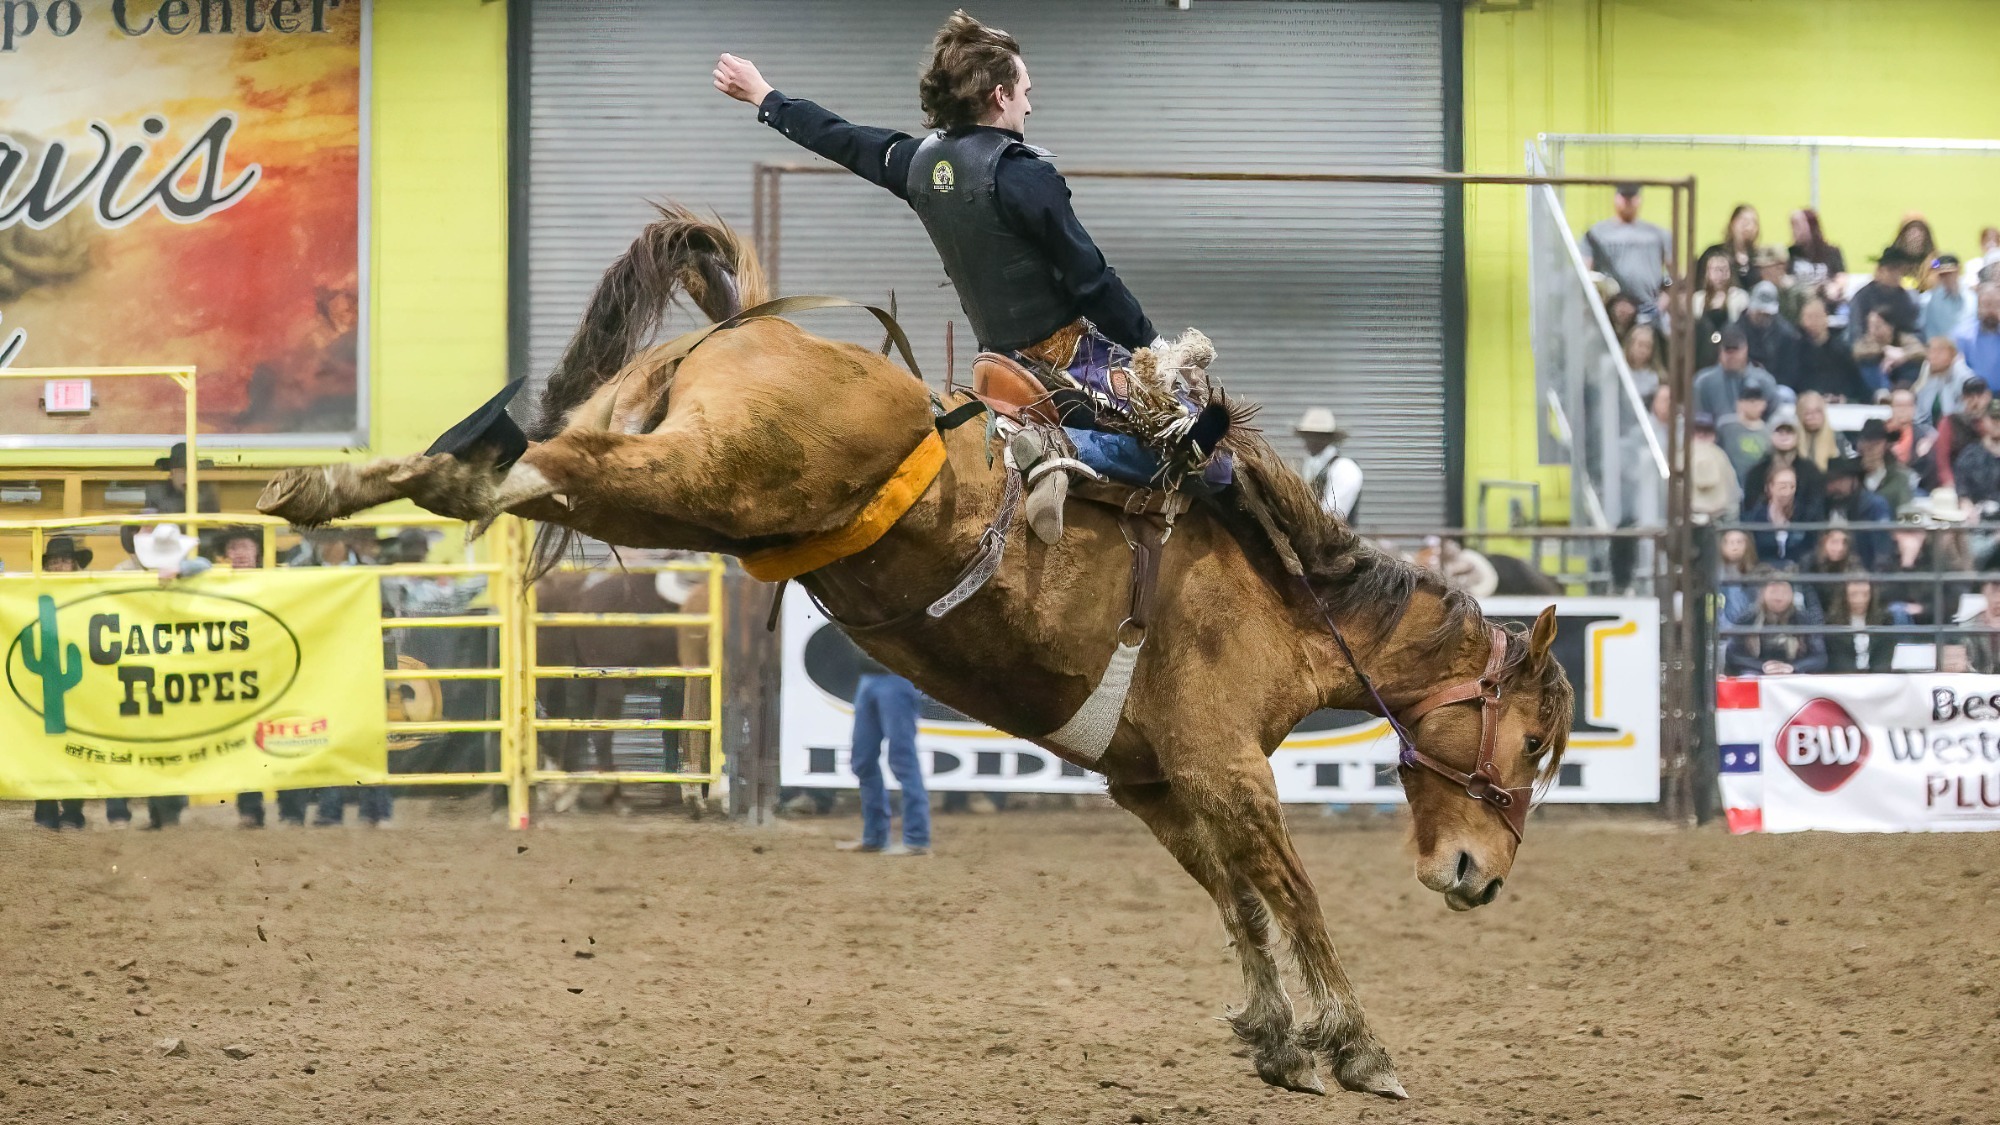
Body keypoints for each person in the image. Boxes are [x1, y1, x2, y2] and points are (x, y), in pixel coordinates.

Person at [715, 14, 1227, 516]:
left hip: (994, 362)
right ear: (1000, 95)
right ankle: (1062, 446)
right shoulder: (1027, 177)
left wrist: (765, 96)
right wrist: (1156, 348)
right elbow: (1092, 283)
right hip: (1066, 365)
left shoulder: (915, 163)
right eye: (1024, 90)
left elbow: (841, 136)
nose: (1030, 102)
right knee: (1213, 462)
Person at [835, 655, 930, 856]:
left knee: (902, 759)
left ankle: (916, 840)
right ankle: (875, 838)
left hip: (897, 677)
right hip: (870, 677)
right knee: (863, 761)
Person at [1581, 183, 1672, 316]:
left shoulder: (1657, 234)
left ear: (1639, 200)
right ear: (1615, 198)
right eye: (1624, 196)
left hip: (1649, 311)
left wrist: (1664, 300)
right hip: (1609, 311)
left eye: (1632, 197)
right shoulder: (1596, 234)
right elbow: (1584, 272)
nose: (1628, 201)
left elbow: (1675, 273)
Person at [1724, 570, 1827, 677]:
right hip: (1755, 672)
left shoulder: (1804, 621)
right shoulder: (1746, 619)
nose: (1779, 597)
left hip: (1795, 673)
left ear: (1792, 594)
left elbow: (1819, 657)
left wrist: (1793, 667)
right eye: (1774, 592)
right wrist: (1762, 666)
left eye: (1784, 592)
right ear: (1763, 592)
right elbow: (1733, 655)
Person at [1742, 413, 1825, 516]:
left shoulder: (1810, 471)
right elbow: (1750, 508)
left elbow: (1816, 507)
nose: (1784, 436)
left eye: (1789, 432)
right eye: (1779, 432)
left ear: (1797, 436)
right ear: (1771, 435)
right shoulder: (1757, 472)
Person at [1694, 324, 1779, 421]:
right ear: (1720, 351)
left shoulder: (1764, 381)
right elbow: (1698, 418)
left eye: (1735, 350)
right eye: (1727, 350)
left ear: (1745, 349)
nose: (1731, 356)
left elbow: (1774, 417)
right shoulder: (1704, 382)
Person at [1793, 298, 1869, 402]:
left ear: (1826, 317)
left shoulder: (1840, 349)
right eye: (1808, 317)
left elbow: (1855, 380)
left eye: (1816, 316)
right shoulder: (1796, 349)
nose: (1812, 322)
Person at [1821, 458, 1892, 569]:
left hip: (1865, 564)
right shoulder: (1824, 504)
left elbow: (1881, 544)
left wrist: (1878, 569)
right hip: (1831, 566)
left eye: (1840, 480)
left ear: (1854, 480)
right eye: (1830, 481)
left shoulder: (1874, 505)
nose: (1834, 486)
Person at [1294, 408, 1361, 523]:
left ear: (1324, 438)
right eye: (1305, 436)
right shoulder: (1310, 466)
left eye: (1310, 437)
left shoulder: (1344, 469)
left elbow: (1334, 515)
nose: (1306, 443)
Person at [1927, 375, 1993, 491]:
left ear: (1988, 396)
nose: (1975, 401)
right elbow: (1941, 460)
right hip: (1956, 483)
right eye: (1969, 396)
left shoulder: (1995, 424)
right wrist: (1950, 484)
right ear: (1963, 399)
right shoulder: (1950, 422)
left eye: (1979, 395)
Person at [1745, 464, 1816, 569]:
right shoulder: (1754, 518)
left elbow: (1809, 549)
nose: (1788, 492)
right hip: (1763, 572)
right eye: (1782, 487)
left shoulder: (1804, 515)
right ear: (1769, 487)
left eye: (1792, 487)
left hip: (1797, 572)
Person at [1824, 574, 1897, 674]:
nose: (1860, 600)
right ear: (1845, 596)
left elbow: (1884, 658)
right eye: (1854, 595)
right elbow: (1838, 660)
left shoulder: (1885, 620)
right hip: (1845, 678)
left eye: (1865, 594)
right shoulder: (1832, 622)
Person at [1848, 246, 1922, 343]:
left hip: (1902, 344)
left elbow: (1915, 329)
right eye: (1891, 270)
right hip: (1869, 343)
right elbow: (1856, 332)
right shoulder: (1862, 297)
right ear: (1879, 271)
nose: (1896, 274)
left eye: (1899, 270)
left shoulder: (1909, 298)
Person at [1691, 249, 1749, 370]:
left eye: (1724, 270)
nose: (1720, 275)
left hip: (1729, 348)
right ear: (1707, 273)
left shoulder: (1740, 297)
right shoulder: (1697, 299)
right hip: (1703, 352)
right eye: (1716, 270)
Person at [1738, 280, 1801, 388]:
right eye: (1759, 312)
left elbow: (1790, 372)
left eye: (1767, 313)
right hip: (1741, 383)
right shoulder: (1736, 331)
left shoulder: (1787, 335)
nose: (1762, 316)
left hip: (1776, 384)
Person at [1853, 308, 1924, 397]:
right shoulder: (1867, 341)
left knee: (1913, 366)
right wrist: (1885, 352)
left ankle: (1898, 393)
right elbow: (1858, 351)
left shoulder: (1902, 338)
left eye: (1878, 325)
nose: (1873, 329)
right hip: (1876, 377)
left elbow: (1920, 351)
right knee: (1867, 363)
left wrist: (1902, 356)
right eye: (1870, 325)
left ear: (1890, 326)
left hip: (1899, 376)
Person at [1853, 418, 1916, 519]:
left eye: (1877, 443)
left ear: (1886, 445)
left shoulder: (1899, 478)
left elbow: (1905, 512)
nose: (1871, 448)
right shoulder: (1851, 476)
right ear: (1860, 445)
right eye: (1867, 442)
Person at [141, 441, 222, 517]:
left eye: (193, 471)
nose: (188, 476)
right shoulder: (156, 491)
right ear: (171, 474)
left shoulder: (207, 491)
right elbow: (149, 520)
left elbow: (213, 519)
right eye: (183, 471)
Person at [1688, 413, 1742, 521]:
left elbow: (1734, 496)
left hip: (1720, 517)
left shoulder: (1721, 456)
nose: (1701, 435)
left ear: (1714, 436)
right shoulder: (1680, 456)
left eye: (1706, 432)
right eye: (1696, 432)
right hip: (1688, 517)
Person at [1912, 336, 1977, 426]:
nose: (1933, 356)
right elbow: (1920, 412)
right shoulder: (1928, 370)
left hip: (1959, 426)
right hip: (1927, 427)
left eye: (1939, 352)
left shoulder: (1962, 375)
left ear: (1952, 355)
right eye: (1930, 351)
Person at [1716, 383, 1773, 482]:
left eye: (1759, 402)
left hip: (1756, 482)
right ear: (1740, 403)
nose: (1756, 406)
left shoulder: (1769, 431)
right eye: (1752, 402)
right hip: (1728, 481)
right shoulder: (1726, 427)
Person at [1951, 399, 2000, 515]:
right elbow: (1963, 493)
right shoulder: (1970, 456)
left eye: (1999, 418)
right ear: (1983, 421)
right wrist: (1967, 507)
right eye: (1992, 418)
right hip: (1979, 517)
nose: (1996, 423)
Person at [1701, 204, 1764, 292]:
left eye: (1753, 223)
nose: (1748, 227)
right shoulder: (1714, 253)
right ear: (1732, 224)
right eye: (1744, 222)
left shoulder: (1760, 257)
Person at [1952, 284, 2000, 386]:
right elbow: (1957, 369)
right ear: (1978, 307)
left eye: (1997, 305)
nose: (1992, 310)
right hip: (1973, 392)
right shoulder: (1963, 335)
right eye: (1987, 304)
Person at [1787, 208, 1847, 286]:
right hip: (1799, 293)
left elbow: (1841, 277)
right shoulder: (1789, 253)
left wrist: (1835, 287)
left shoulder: (1831, 252)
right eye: (1792, 226)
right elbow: (1784, 279)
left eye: (1797, 225)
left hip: (1825, 292)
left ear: (1811, 226)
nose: (1794, 231)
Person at [1921, 255, 1975, 341]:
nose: (1947, 278)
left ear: (1958, 271)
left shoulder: (1972, 298)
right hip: (1942, 346)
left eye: (1950, 274)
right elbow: (1928, 331)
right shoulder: (1928, 301)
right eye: (1942, 275)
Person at [1882, 388, 1935, 470]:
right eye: (1898, 405)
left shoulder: (1924, 436)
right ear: (1891, 407)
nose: (1903, 410)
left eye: (1907, 405)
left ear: (1914, 408)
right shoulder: (1880, 433)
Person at [1793, 391, 1848, 469]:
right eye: (1807, 412)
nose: (1812, 416)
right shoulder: (1791, 442)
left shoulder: (1839, 439)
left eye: (1817, 411)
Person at [1716, 528, 1761, 624]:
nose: (1735, 547)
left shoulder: (1756, 574)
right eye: (1730, 542)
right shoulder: (1715, 573)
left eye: (1739, 542)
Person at [1622, 323, 1666, 400]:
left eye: (1648, 346)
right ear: (1631, 345)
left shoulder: (1657, 377)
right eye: (1640, 345)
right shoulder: (1620, 369)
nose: (1643, 351)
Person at [1894, 217, 1939, 291]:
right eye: (1911, 231)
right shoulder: (1891, 261)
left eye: (1920, 231)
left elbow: (1937, 279)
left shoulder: (1934, 261)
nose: (1916, 235)